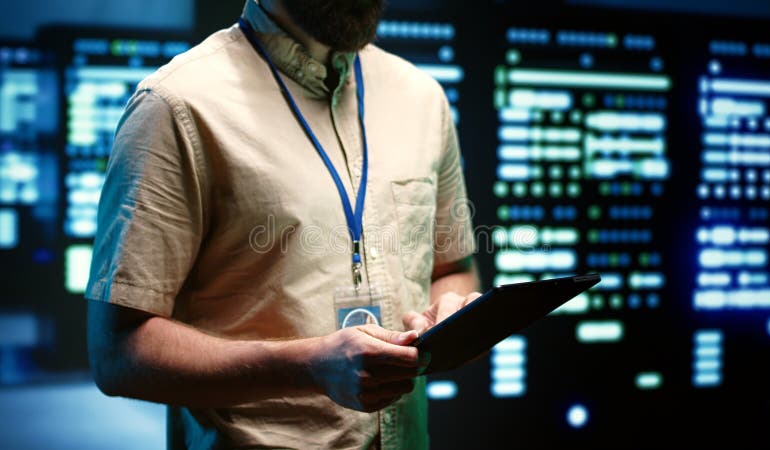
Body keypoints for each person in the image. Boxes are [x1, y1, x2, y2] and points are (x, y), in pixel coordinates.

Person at [84, 0, 480, 448]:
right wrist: (308, 366)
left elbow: (451, 268)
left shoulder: (423, 98)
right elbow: (118, 353)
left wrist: (450, 318)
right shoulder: (176, 105)